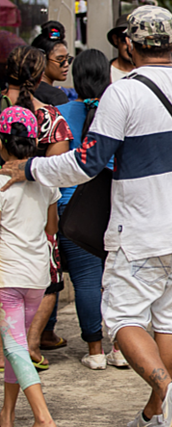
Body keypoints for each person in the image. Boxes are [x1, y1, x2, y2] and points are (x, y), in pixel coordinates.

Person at [0, 5, 172, 427]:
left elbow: (89, 162)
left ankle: (165, 391)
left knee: (123, 317)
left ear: (128, 44)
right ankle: (154, 417)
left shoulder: (123, 91)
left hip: (141, 228)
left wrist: (32, 168)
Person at [56, 49, 129, 370]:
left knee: (87, 280)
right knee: (119, 280)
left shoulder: (59, 114)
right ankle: (121, 349)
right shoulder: (119, 113)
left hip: (71, 209)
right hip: (117, 206)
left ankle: (95, 351)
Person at [2, 46, 74, 370]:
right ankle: (30, 346)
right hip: (39, 208)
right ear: (39, 72)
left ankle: (6, 349)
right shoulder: (50, 116)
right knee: (46, 279)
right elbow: (57, 167)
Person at [0, 107, 59, 427]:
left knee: (15, 346)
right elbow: (52, 228)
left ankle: (42, 416)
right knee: (16, 347)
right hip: (37, 275)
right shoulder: (46, 182)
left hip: (7, 274)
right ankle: (7, 415)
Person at [30, 21, 70, 106]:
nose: (66, 64)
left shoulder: (24, 91)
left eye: (67, 58)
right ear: (42, 59)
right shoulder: (56, 97)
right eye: (60, 59)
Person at [107, 15, 135, 82]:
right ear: (115, 39)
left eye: (134, 39)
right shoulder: (104, 73)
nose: (129, 44)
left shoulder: (150, 74)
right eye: (124, 38)